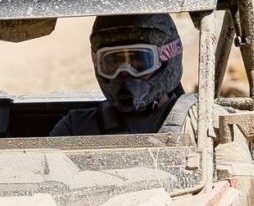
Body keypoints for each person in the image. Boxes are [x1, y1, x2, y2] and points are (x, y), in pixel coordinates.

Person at [51, 13, 189, 136]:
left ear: (167, 59)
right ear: (97, 63)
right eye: (113, 62)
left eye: (138, 61)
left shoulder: (195, 123)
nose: (125, 72)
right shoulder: (75, 129)